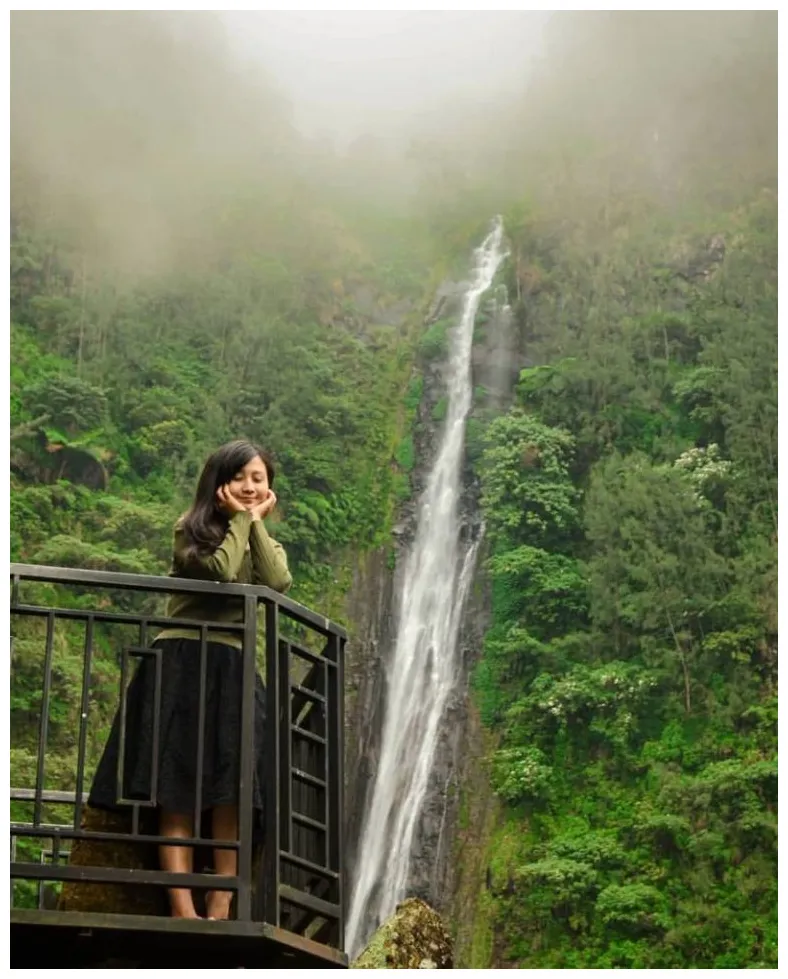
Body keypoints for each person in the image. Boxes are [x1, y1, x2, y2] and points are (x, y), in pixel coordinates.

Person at [88, 440, 292, 920]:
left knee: (233, 789)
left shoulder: (260, 535)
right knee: (175, 785)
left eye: (258, 478)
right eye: (240, 476)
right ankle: (183, 906)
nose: (249, 486)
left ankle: (221, 900)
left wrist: (255, 523)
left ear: (269, 487)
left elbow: (278, 580)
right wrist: (242, 520)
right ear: (218, 482)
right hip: (182, 661)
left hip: (233, 668)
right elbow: (219, 572)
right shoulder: (192, 529)